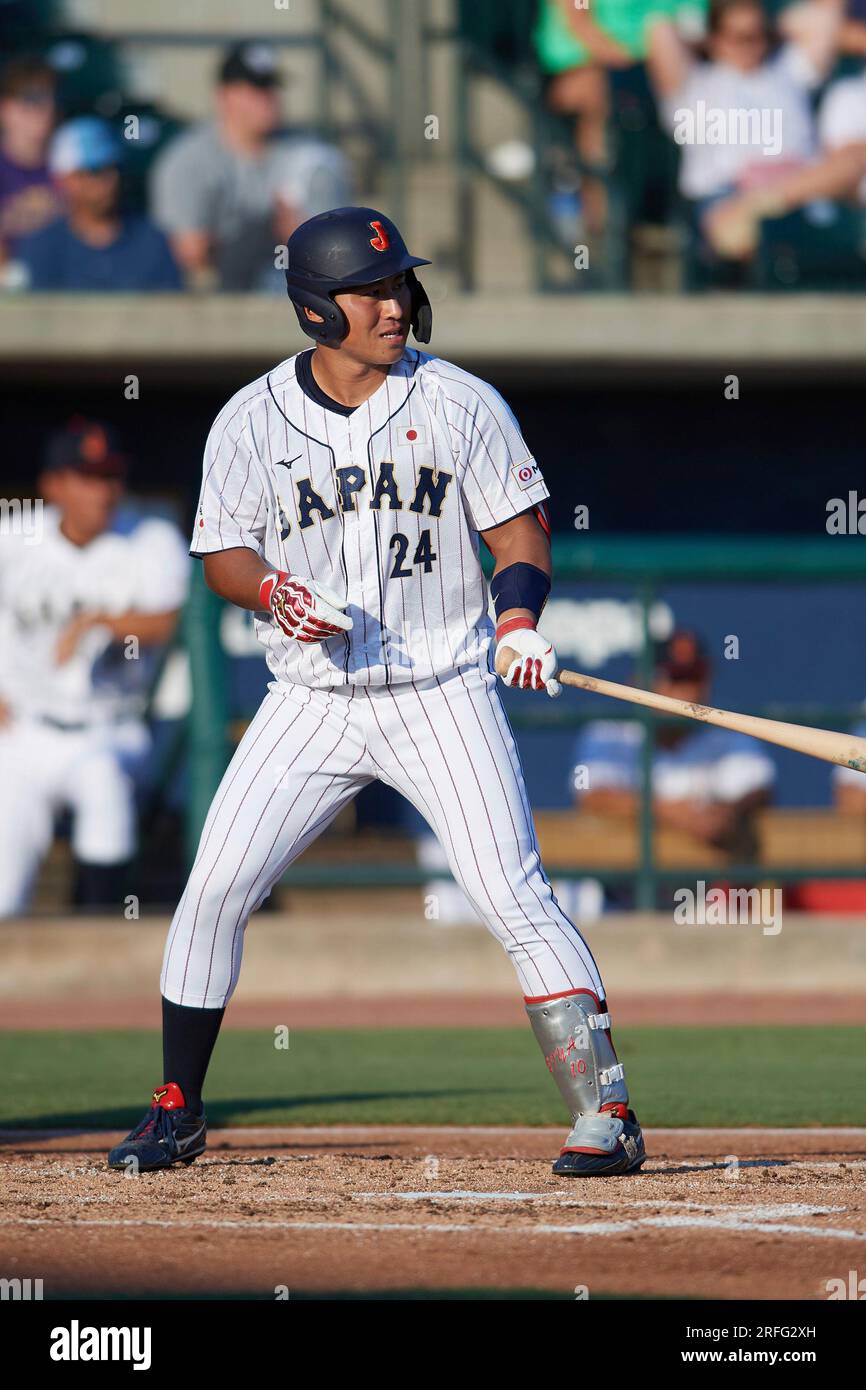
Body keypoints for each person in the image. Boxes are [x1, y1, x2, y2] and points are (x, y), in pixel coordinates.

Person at [107, 205, 646, 1180]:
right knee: (213, 890)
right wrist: (271, 589)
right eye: (371, 290)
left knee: (511, 893)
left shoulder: (460, 401)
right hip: (311, 697)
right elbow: (223, 553)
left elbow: (519, 533)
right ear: (316, 311)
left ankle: (604, 1108)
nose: (395, 303)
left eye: (399, 284)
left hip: (439, 687)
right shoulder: (249, 418)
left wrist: (517, 619)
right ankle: (177, 1107)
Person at [0, 419, 190, 916]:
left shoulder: (149, 536)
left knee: (102, 791)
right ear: (54, 485)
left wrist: (101, 623)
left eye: (111, 477)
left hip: (111, 727)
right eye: (88, 477)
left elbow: (173, 620)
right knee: (5, 881)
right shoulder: (15, 537)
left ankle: (101, 940)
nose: (104, 491)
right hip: (24, 727)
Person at [647, 0, 843, 255]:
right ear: (715, 38)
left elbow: (826, 15)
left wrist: (777, 25)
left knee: (853, 160)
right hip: (728, 195)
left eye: (757, 34)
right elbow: (660, 30)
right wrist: (694, 28)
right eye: (739, 36)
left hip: (801, 191)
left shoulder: (788, 71)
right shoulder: (693, 85)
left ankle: (769, 203)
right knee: (736, 229)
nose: (750, 44)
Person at [151, 41, 349, 291]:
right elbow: (189, 256)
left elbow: (334, 253)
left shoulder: (304, 153)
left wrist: (295, 233)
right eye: (258, 88)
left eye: (273, 86)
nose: (271, 98)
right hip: (214, 295)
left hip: (293, 288)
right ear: (224, 96)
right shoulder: (188, 160)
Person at [573, 631, 776, 865]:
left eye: (695, 678)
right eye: (677, 679)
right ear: (639, 683)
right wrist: (673, 813)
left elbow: (759, 788)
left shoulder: (726, 722)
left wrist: (726, 814)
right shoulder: (611, 731)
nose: (689, 693)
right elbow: (593, 797)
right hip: (620, 885)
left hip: (710, 886)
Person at [14, 115, 182, 290]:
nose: (110, 180)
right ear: (65, 180)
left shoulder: (154, 241)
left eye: (114, 168)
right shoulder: (41, 248)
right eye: (94, 171)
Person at [0, 54, 62, 261]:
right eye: (33, 97)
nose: (47, 108)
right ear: (5, 108)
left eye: (53, 97)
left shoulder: (79, 169)